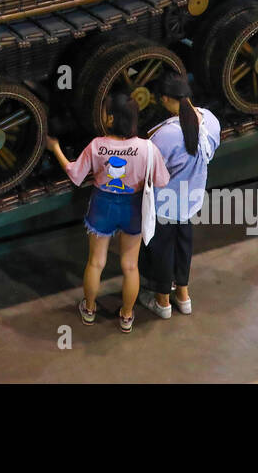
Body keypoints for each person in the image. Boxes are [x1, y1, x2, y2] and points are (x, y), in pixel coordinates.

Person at [46, 94, 169, 333]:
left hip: (102, 205)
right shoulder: (147, 148)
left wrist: (55, 148)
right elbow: (162, 180)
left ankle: (89, 309)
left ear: (111, 118)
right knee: (130, 266)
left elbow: (75, 174)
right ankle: (126, 316)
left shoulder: (97, 145)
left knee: (96, 262)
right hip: (133, 207)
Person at [137, 73, 221, 319]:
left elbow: (150, 168)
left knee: (161, 250)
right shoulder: (212, 121)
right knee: (184, 245)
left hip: (164, 205)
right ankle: (183, 297)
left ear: (165, 99)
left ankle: (162, 301)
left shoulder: (166, 135)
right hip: (190, 200)